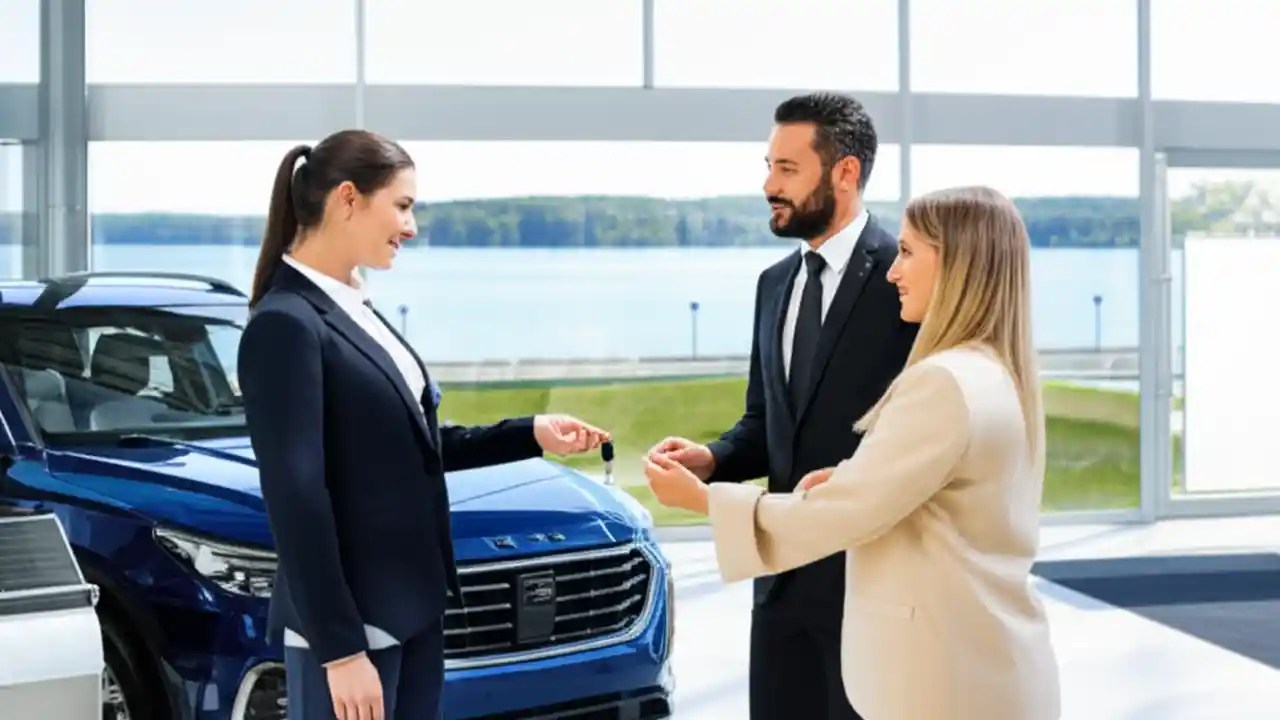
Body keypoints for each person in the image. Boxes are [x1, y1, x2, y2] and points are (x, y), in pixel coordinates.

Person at [645, 185, 1062, 719]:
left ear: (957, 265)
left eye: (907, 252)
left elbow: (841, 517)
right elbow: (942, 491)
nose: (893, 272)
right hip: (988, 665)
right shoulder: (993, 373)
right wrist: (852, 476)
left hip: (944, 681)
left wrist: (703, 500)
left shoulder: (942, 382)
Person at [238, 129, 610, 720]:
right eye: (403, 206)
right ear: (348, 198)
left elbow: (408, 446)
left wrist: (529, 432)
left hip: (411, 612)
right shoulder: (286, 324)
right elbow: (296, 497)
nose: (410, 227)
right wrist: (340, 650)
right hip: (355, 631)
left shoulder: (355, 309)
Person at [647, 92, 916, 719]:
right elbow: (767, 424)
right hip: (778, 588)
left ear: (845, 172)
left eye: (788, 169)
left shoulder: (905, 280)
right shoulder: (774, 284)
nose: (769, 185)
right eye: (769, 166)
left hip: (872, 591)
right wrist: (711, 459)